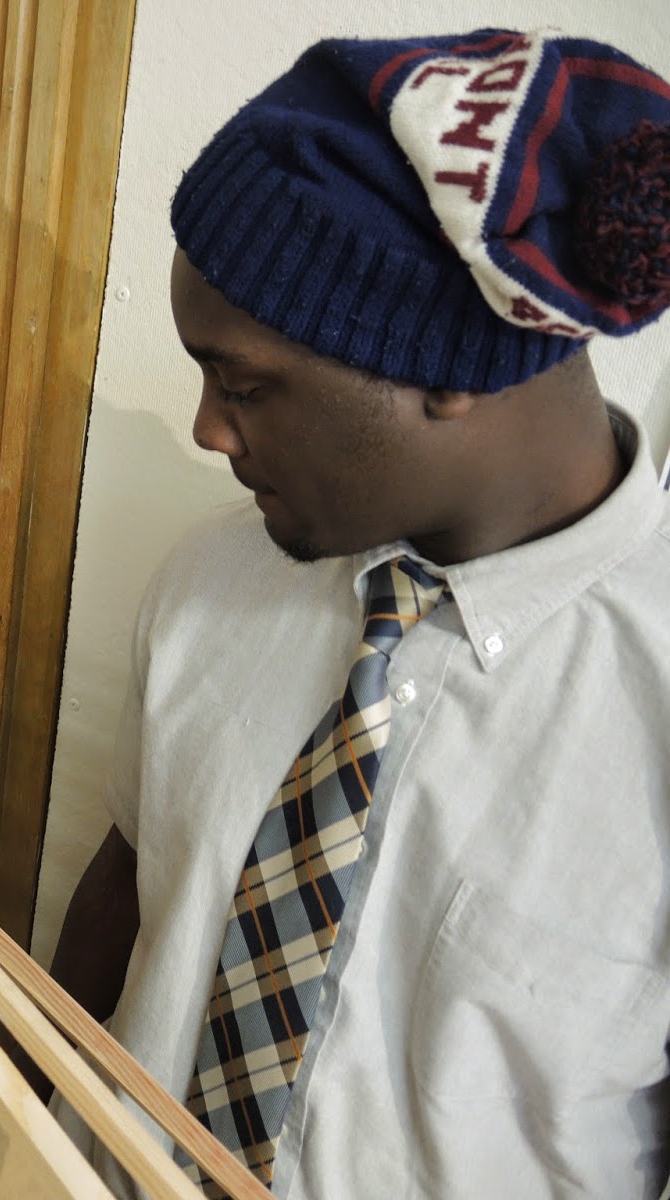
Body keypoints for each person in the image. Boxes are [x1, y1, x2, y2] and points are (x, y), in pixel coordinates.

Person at [51, 30, 670, 1199]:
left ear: (448, 370)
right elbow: (128, 885)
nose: (207, 430)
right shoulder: (213, 581)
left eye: (243, 385)